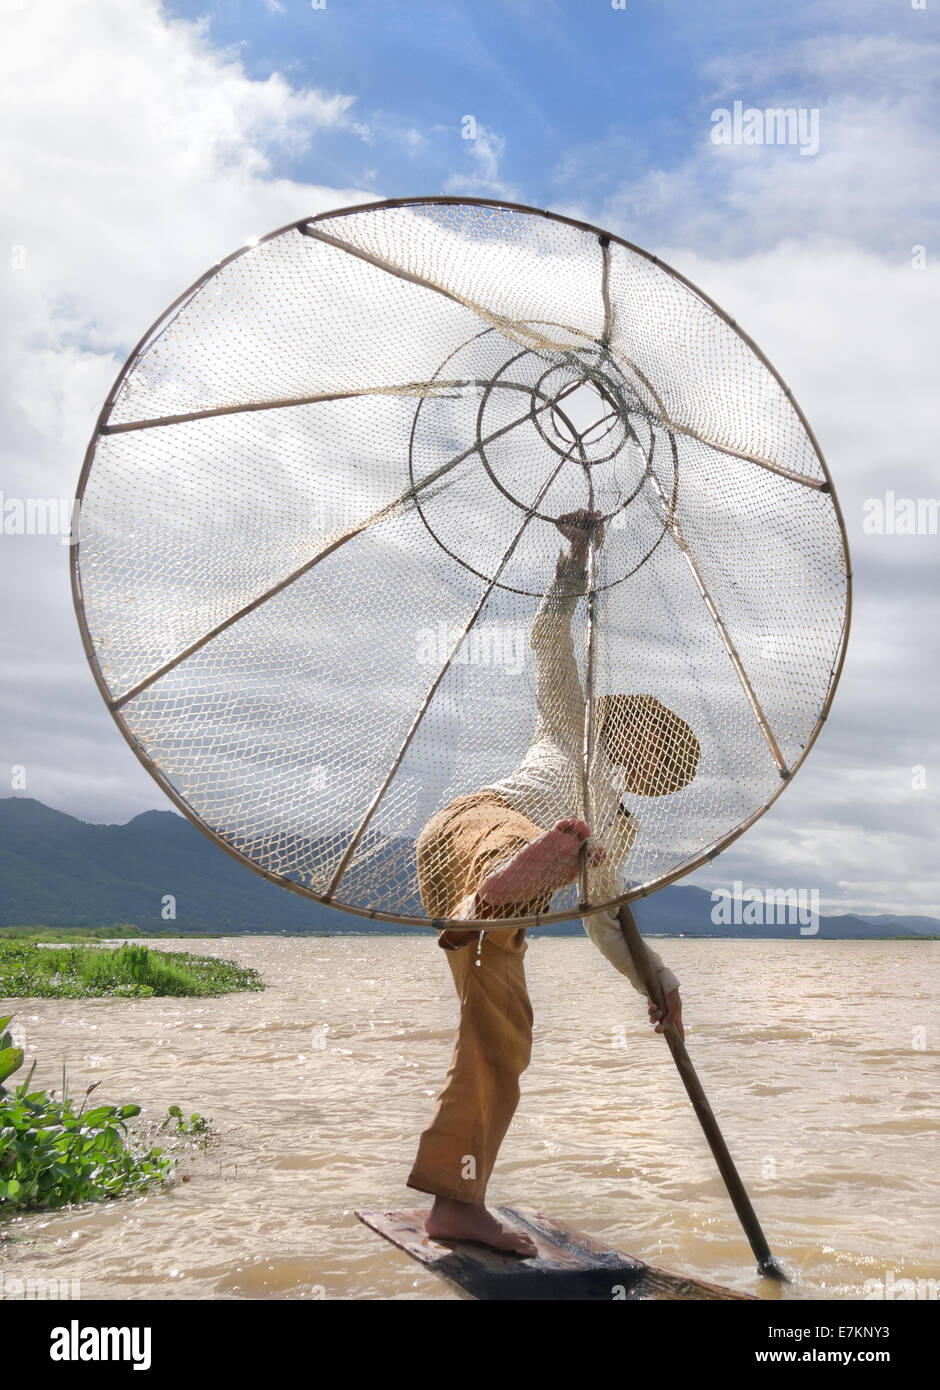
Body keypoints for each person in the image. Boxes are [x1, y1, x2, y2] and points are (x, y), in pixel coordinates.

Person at [406, 509, 700, 1255]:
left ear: (653, 769)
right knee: (535, 851)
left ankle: (455, 1202)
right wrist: (574, 564)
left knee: (503, 1035)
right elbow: (547, 641)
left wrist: (656, 981)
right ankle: (502, 885)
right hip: (482, 827)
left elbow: (607, 921)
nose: (645, 745)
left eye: (656, 749)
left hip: (505, 903)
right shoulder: (568, 723)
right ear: (621, 723)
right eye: (644, 730)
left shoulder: (616, 833)